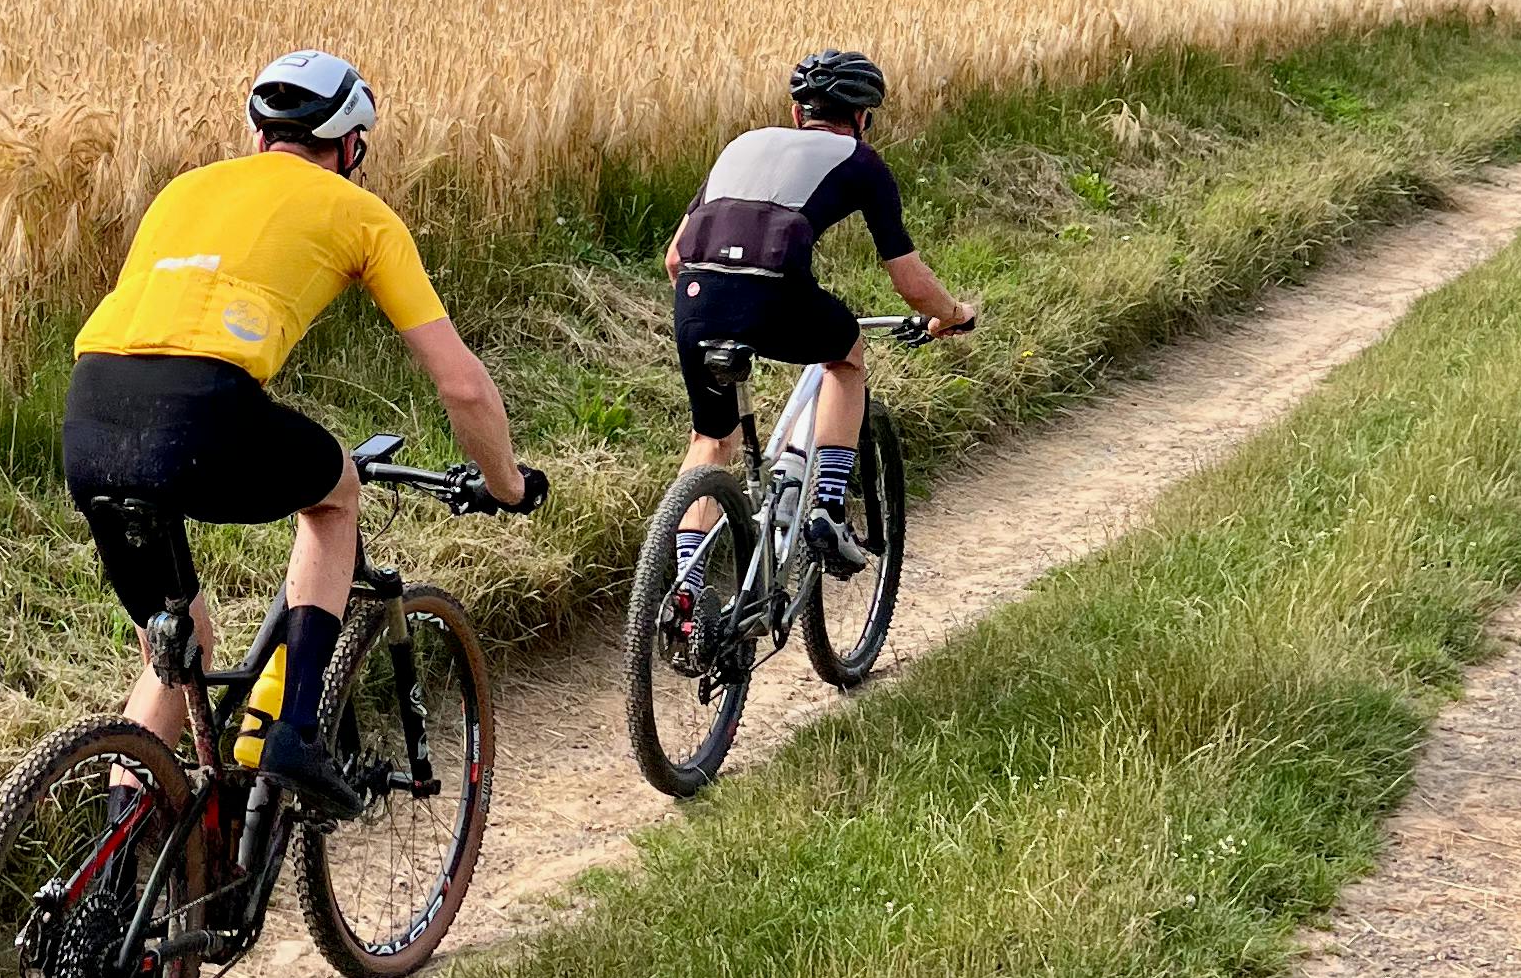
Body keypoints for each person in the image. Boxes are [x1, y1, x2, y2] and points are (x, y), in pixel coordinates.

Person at [61, 51, 542, 808]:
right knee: (334, 492)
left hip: (89, 415)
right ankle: (296, 733)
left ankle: (117, 869)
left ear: (260, 137)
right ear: (351, 148)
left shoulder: (184, 189)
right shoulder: (359, 213)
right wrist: (509, 485)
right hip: (204, 410)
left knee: (174, 650)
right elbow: (461, 383)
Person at [661, 46, 972, 575]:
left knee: (712, 440)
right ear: (861, 118)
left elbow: (674, 257)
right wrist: (952, 313)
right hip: (776, 294)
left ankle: (686, 592)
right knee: (846, 353)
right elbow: (911, 284)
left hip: (695, 296)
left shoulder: (740, 146)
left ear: (796, 111)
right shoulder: (860, 160)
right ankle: (828, 510)